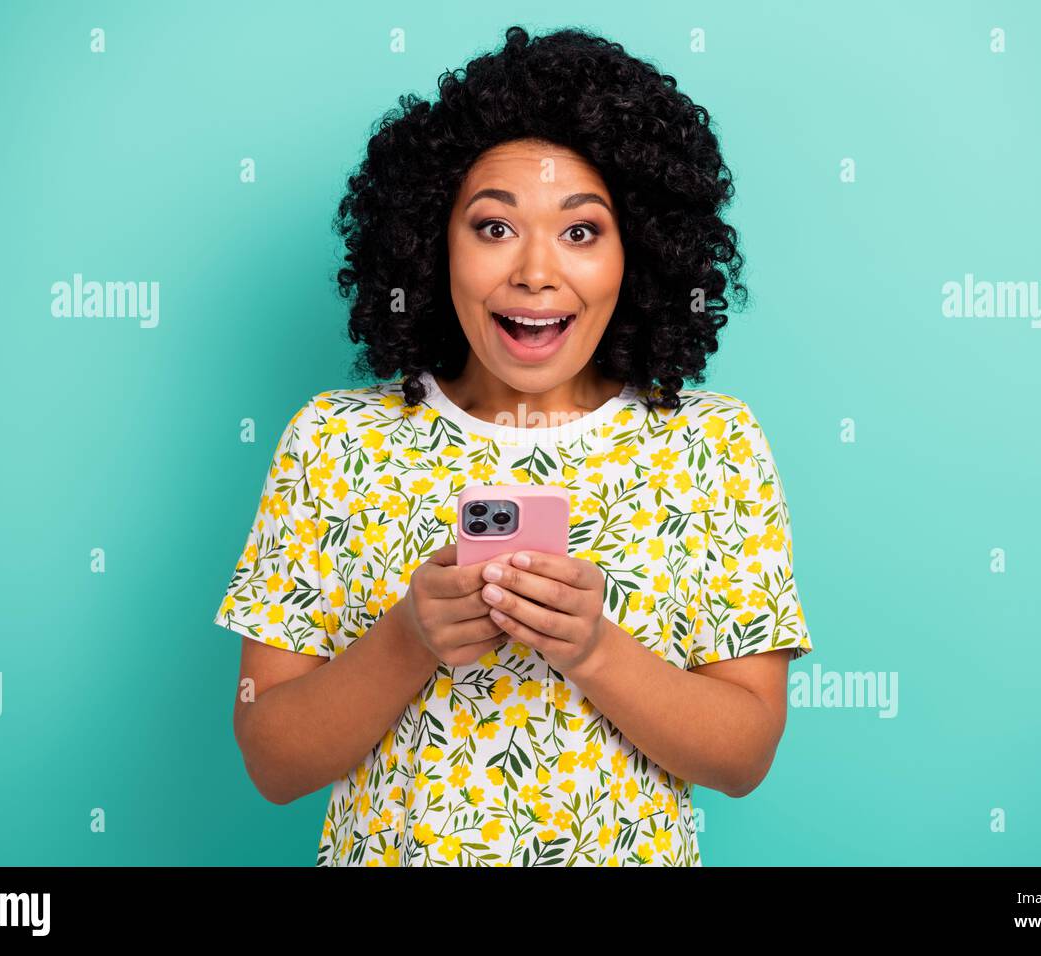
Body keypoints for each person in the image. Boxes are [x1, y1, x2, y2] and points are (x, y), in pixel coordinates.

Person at [213, 24, 812, 866]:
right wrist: (407, 640)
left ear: (635, 255)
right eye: (494, 228)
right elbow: (272, 760)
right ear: (432, 245)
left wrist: (597, 648)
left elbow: (744, 754)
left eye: (580, 231)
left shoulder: (713, 445)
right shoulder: (334, 440)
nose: (536, 272)